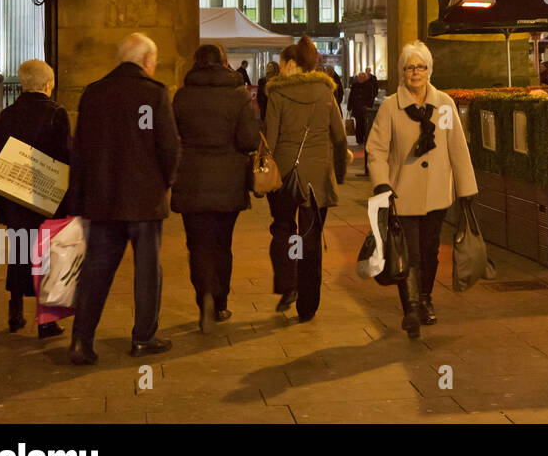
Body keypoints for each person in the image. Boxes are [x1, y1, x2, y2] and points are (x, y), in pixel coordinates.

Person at [66, 33, 181, 365]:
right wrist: (164, 182)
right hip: (144, 200)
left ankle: (81, 340)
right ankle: (143, 338)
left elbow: (81, 150)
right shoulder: (154, 94)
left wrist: (81, 196)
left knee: (96, 269)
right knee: (147, 270)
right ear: (147, 60)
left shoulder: (94, 93)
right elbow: (169, 147)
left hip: (103, 200)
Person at [366, 41, 477, 339]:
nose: (415, 72)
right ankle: (412, 308)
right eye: (409, 67)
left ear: (429, 70)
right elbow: (375, 150)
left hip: (438, 194)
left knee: (429, 252)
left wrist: (466, 189)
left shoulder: (443, 105)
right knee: (409, 253)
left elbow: (457, 147)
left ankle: (426, 297)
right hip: (401, 195)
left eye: (420, 66)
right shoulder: (391, 106)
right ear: (402, 72)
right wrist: (382, 183)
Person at [172, 43, 261, 333]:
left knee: (198, 244)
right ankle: (220, 301)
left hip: (192, 180)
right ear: (225, 64)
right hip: (228, 181)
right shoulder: (238, 95)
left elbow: (173, 137)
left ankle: (204, 297)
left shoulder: (182, 96)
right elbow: (249, 141)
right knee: (222, 243)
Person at [264, 36, 350, 322]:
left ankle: (288, 283)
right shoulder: (326, 93)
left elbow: (271, 141)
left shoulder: (276, 95)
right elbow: (339, 137)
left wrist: (266, 172)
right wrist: (339, 173)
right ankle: (308, 306)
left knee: (284, 230)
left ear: (291, 64)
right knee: (310, 239)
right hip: (317, 179)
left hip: (285, 176)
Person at [0, 59, 71, 338]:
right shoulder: (56, 113)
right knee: (46, 255)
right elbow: (64, 156)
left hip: (14, 197)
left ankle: (15, 310)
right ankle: (46, 321)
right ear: (48, 83)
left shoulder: (7, 114)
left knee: (20, 250)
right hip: (47, 197)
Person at [348, 68, 380, 146]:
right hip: (357, 108)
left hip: (365, 108)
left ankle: (365, 138)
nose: (360, 79)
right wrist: (349, 107)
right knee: (359, 123)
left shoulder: (369, 86)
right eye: (359, 77)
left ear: (365, 78)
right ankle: (359, 139)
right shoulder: (355, 85)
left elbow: (371, 96)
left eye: (362, 77)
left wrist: (368, 105)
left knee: (365, 124)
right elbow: (351, 96)